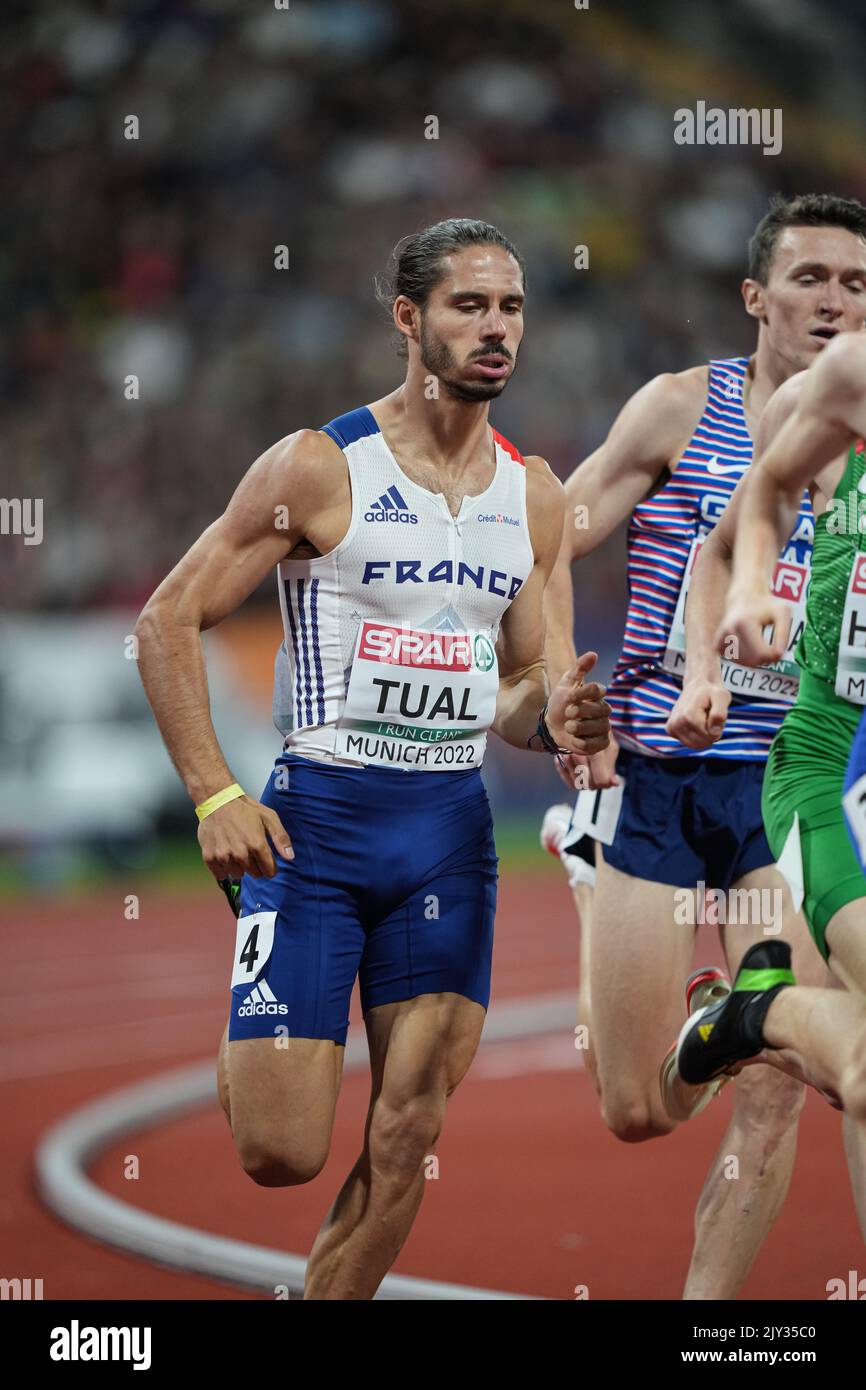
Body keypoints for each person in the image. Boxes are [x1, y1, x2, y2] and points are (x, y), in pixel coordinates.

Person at [135, 218, 610, 1300]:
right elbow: (167, 620)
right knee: (279, 1151)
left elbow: (526, 696)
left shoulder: (532, 493)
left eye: (511, 308)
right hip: (317, 826)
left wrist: (566, 716)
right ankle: (260, 962)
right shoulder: (318, 465)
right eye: (467, 306)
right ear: (408, 318)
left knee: (408, 1127)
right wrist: (213, 792)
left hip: (448, 836)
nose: (496, 330)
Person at [542, 194, 866, 1297]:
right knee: (635, 1108)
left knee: (773, 1089)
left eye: (855, 284)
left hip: (790, 786)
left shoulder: (855, 432)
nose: (833, 302)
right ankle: (592, 887)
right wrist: (549, 688)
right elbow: (553, 539)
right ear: (753, 296)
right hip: (659, 776)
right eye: (810, 278)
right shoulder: (682, 409)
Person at [673, 328, 866, 1239]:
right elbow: (755, 507)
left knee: (863, 1075)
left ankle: (756, 1015)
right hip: (836, 777)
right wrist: (754, 589)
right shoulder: (850, 378)